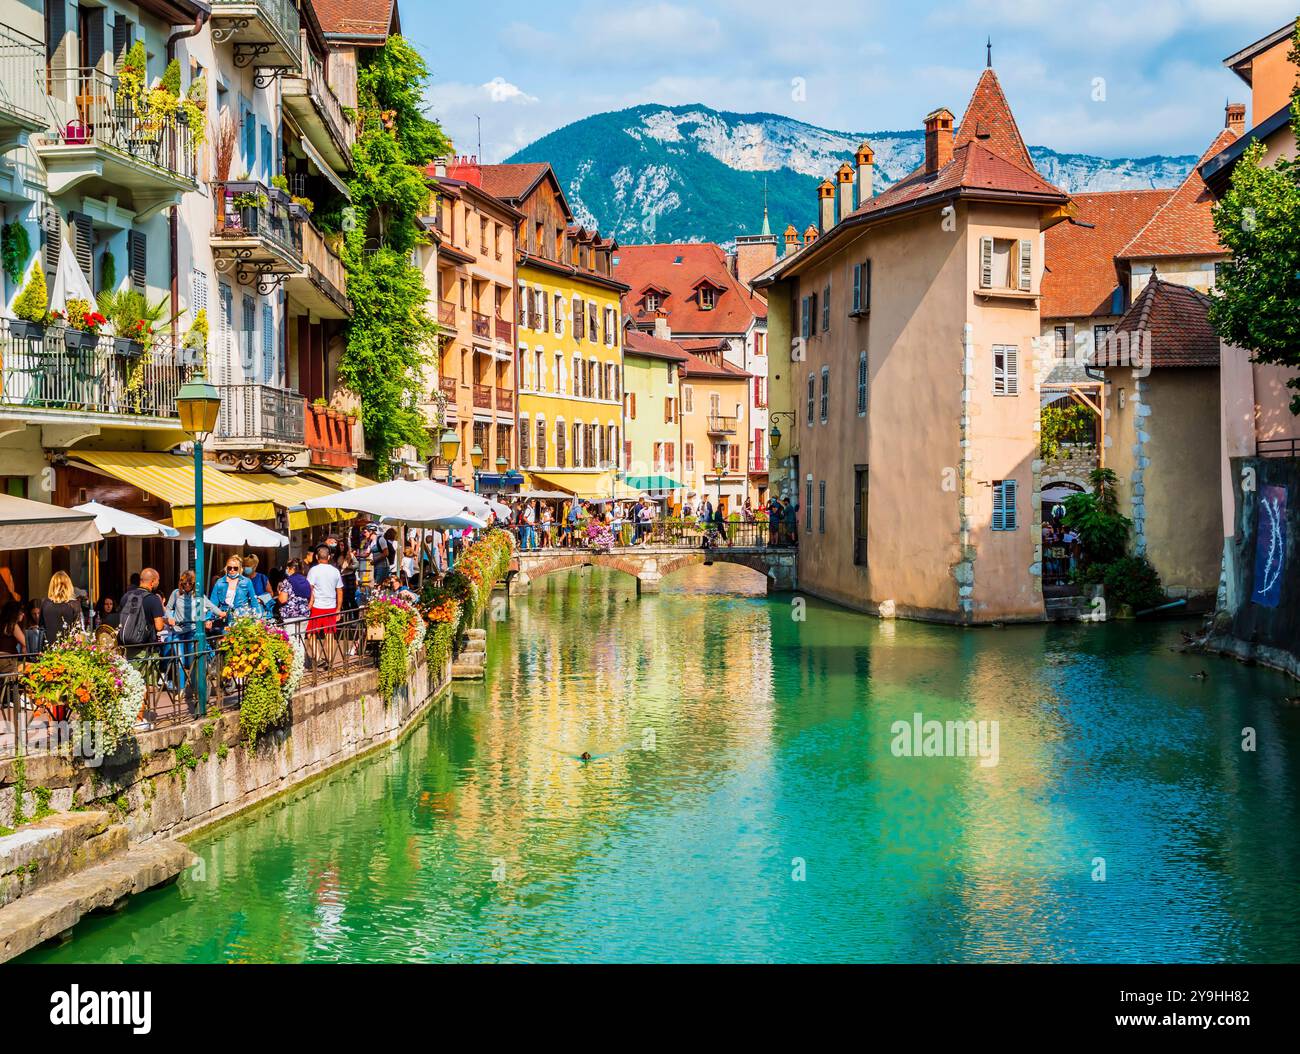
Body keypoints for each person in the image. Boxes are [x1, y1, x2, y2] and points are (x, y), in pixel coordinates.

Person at [306, 545, 343, 665]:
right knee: (330, 634)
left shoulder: (313, 570)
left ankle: (317, 657)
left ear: (317, 557)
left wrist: (310, 603)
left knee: (311, 634)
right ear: (329, 557)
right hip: (331, 606)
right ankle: (330, 660)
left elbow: (309, 589)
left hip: (317, 607)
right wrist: (338, 609)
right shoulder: (335, 571)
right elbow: (339, 591)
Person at [206, 556, 259, 634]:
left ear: (240, 568)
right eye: (229, 568)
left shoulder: (246, 582)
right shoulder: (219, 582)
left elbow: (254, 602)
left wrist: (257, 619)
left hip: (241, 618)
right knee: (225, 642)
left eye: (235, 568)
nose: (232, 570)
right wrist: (209, 618)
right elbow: (213, 603)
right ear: (226, 568)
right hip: (224, 618)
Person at [41, 571, 84, 644]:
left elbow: (41, 626)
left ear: (52, 586)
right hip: (68, 650)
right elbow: (78, 631)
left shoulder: (45, 603)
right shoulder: (74, 604)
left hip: (48, 649)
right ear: (68, 586)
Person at [277, 558, 312, 635]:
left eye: (287, 568)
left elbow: (283, 599)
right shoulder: (306, 581)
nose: (286, 570)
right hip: (304, 615)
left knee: (292, 642)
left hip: (290, 617)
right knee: (301, 640)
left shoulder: (288, 581)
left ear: (292, 568)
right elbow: (312, 596)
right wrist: (307, 608)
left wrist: (279, 592)